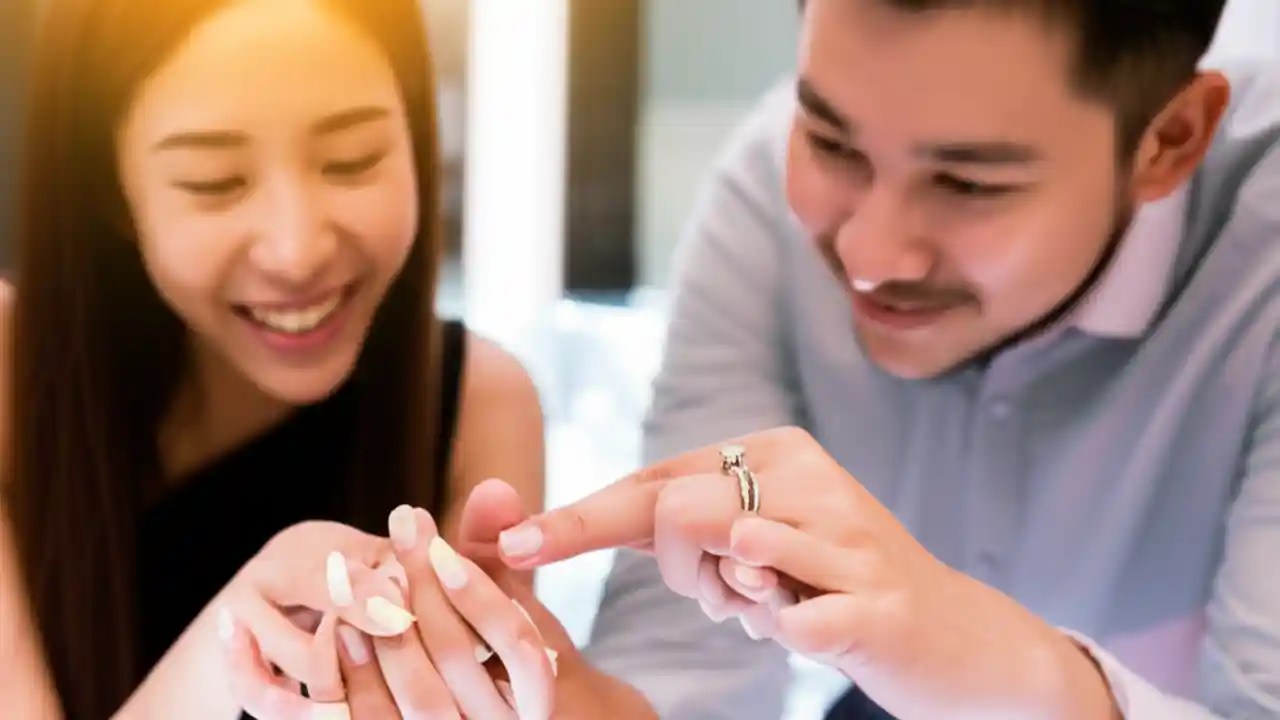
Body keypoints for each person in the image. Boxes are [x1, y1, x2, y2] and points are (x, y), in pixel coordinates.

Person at [497, 0, 1280, 718]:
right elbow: (686, 667)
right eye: (832, 144)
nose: (867, 257)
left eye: (968, 184)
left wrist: (1004, 669)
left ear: (1170, 141)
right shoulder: (763, 185)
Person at [0, 0, 584, 717]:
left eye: (352, 160)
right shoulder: (8, 372)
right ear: (109, 191)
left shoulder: (478, 403)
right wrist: (236, 641)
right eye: (215, 181)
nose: (296, 249)